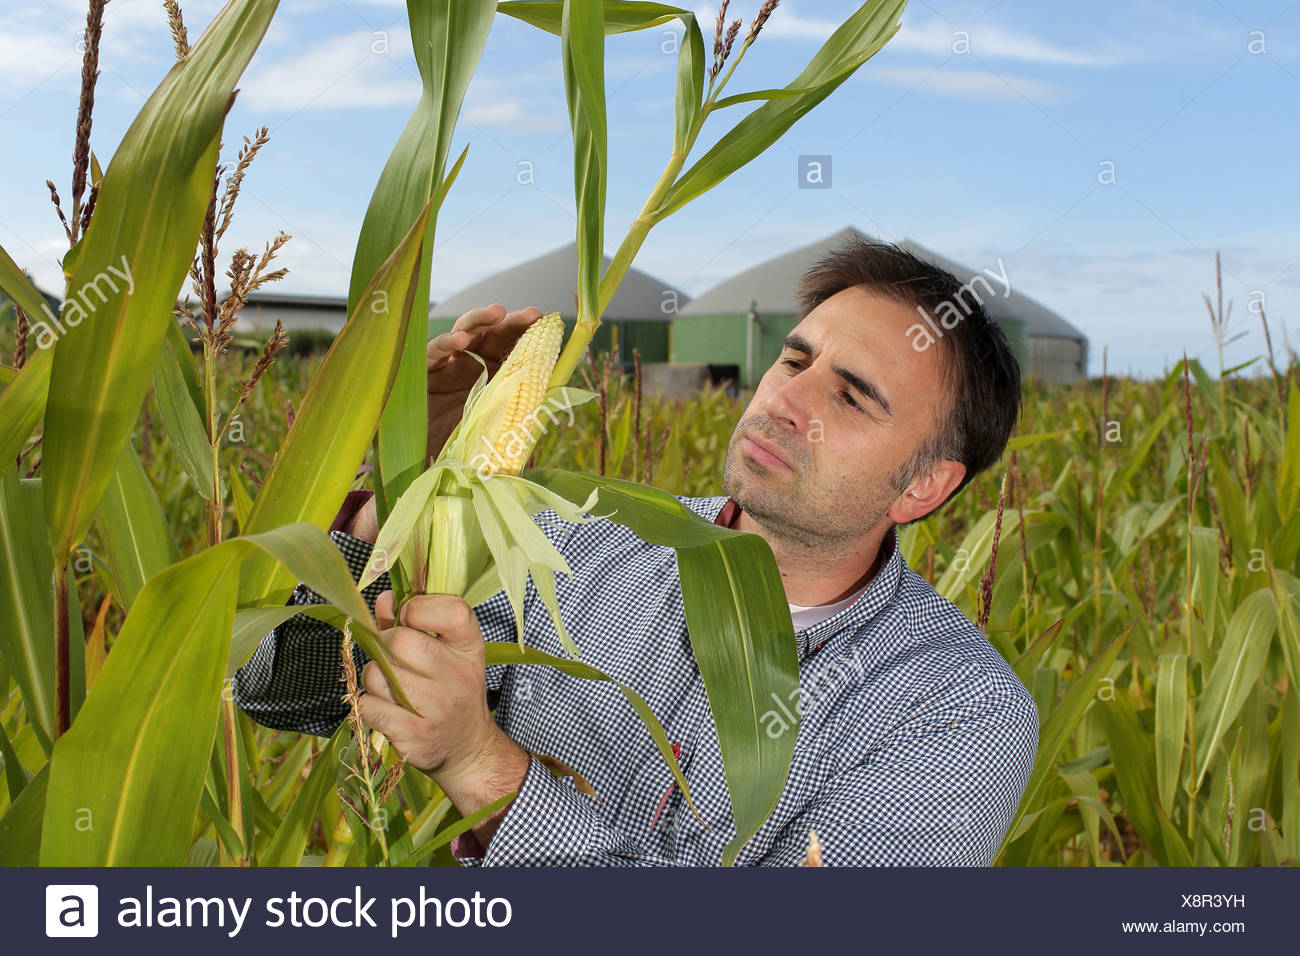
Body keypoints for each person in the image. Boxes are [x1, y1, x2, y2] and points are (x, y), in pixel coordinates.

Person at [233, 235, 1038, 867]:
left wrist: (485, 769)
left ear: (924, 487)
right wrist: (411, 493)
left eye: (852, 396)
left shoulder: (956, 710)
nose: (785, 401)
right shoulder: (577, 537)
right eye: (794, 360)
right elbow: (287, 688)